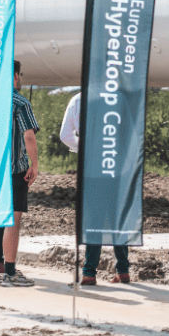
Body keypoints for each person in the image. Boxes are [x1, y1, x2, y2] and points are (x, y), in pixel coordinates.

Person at [0, 60, 39, 287]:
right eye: (19, 74)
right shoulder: (20, 103)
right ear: (14, 76)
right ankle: (10, 273)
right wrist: (34, 164)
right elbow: (29, 136)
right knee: (12, 221)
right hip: (14, 170)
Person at [60, 91, 130, 285]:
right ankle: (123, 270)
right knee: (117, 219)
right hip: (116, 167)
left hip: (91, 167)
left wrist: (84, 145)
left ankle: (89, 272)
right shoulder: (119, 98)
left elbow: (65, 135)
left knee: (94, 219)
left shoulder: (77, 100)